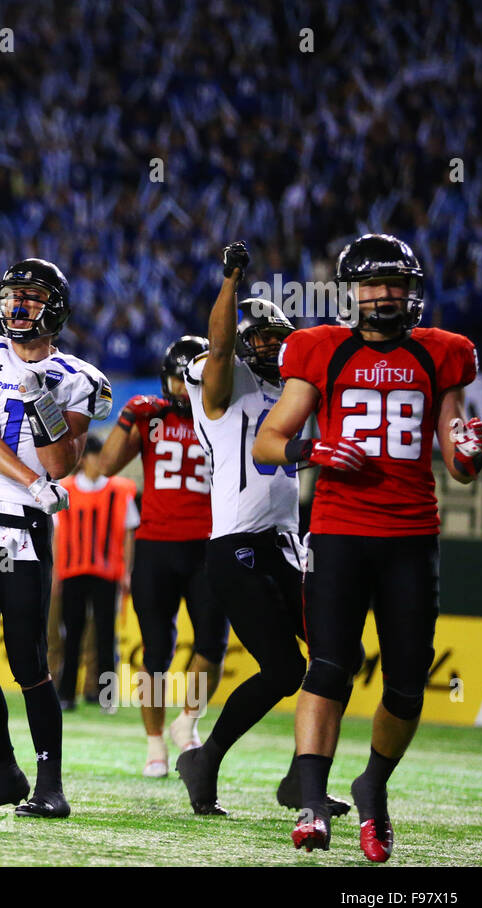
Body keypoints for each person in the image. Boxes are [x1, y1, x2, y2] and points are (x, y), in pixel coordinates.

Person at [253, 233, 482, 861]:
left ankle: (373, 790)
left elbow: (459, 463)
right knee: (329, 665)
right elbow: (268, 441)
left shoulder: (442, 353)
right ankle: (309, 802)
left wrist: (469, 453)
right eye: (372, 285)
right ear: (351, 291)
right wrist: (312, 450)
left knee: (407, 685)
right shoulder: (320, 348)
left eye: (395, 284)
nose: (384, 296)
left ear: (413, 290)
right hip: (339, 530)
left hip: (411, 536)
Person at [175, 241, 348, 817]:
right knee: (284, 668)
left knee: (331, 654)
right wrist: (230, 279)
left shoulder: (296, 391)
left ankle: (302, 778)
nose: (271, 347)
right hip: (235, 545)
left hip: (286, 544)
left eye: (280, 338)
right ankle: (208, 758)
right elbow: (220, 344)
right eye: (262, 338)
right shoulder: (224, 381)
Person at [0, 257, 111, 819]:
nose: (19, 305)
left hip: (25, 526)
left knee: (28, 657)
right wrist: (33, 482)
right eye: (13, 294)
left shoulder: (81, 378)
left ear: (55, 308)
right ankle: (4, 773)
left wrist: (43, 405)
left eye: (33, 297)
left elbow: (64, 463)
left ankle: (49, 785)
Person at [100, 335, 229, 777]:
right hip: (156, 546)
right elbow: (106, 467)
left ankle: (188, 720)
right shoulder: (150, 416)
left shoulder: (224, 415)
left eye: (192, 377)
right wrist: (125, 421)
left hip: (209, 545)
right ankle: (155, 745)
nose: (183, 386)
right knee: (156, 652)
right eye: (178, 378)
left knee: (213, 645)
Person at [51, 434, 138, 710]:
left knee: (104, 635)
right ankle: (67, 695)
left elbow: (128, 532)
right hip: (72, 571)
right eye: (96, 456)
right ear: (83, 459)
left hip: (107, 572)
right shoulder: (64, 490)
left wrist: (126, 571)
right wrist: (54, 573)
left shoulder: (120, 490)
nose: (100, 462)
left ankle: (105, 696)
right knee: (72, 634)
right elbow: (54, 534)